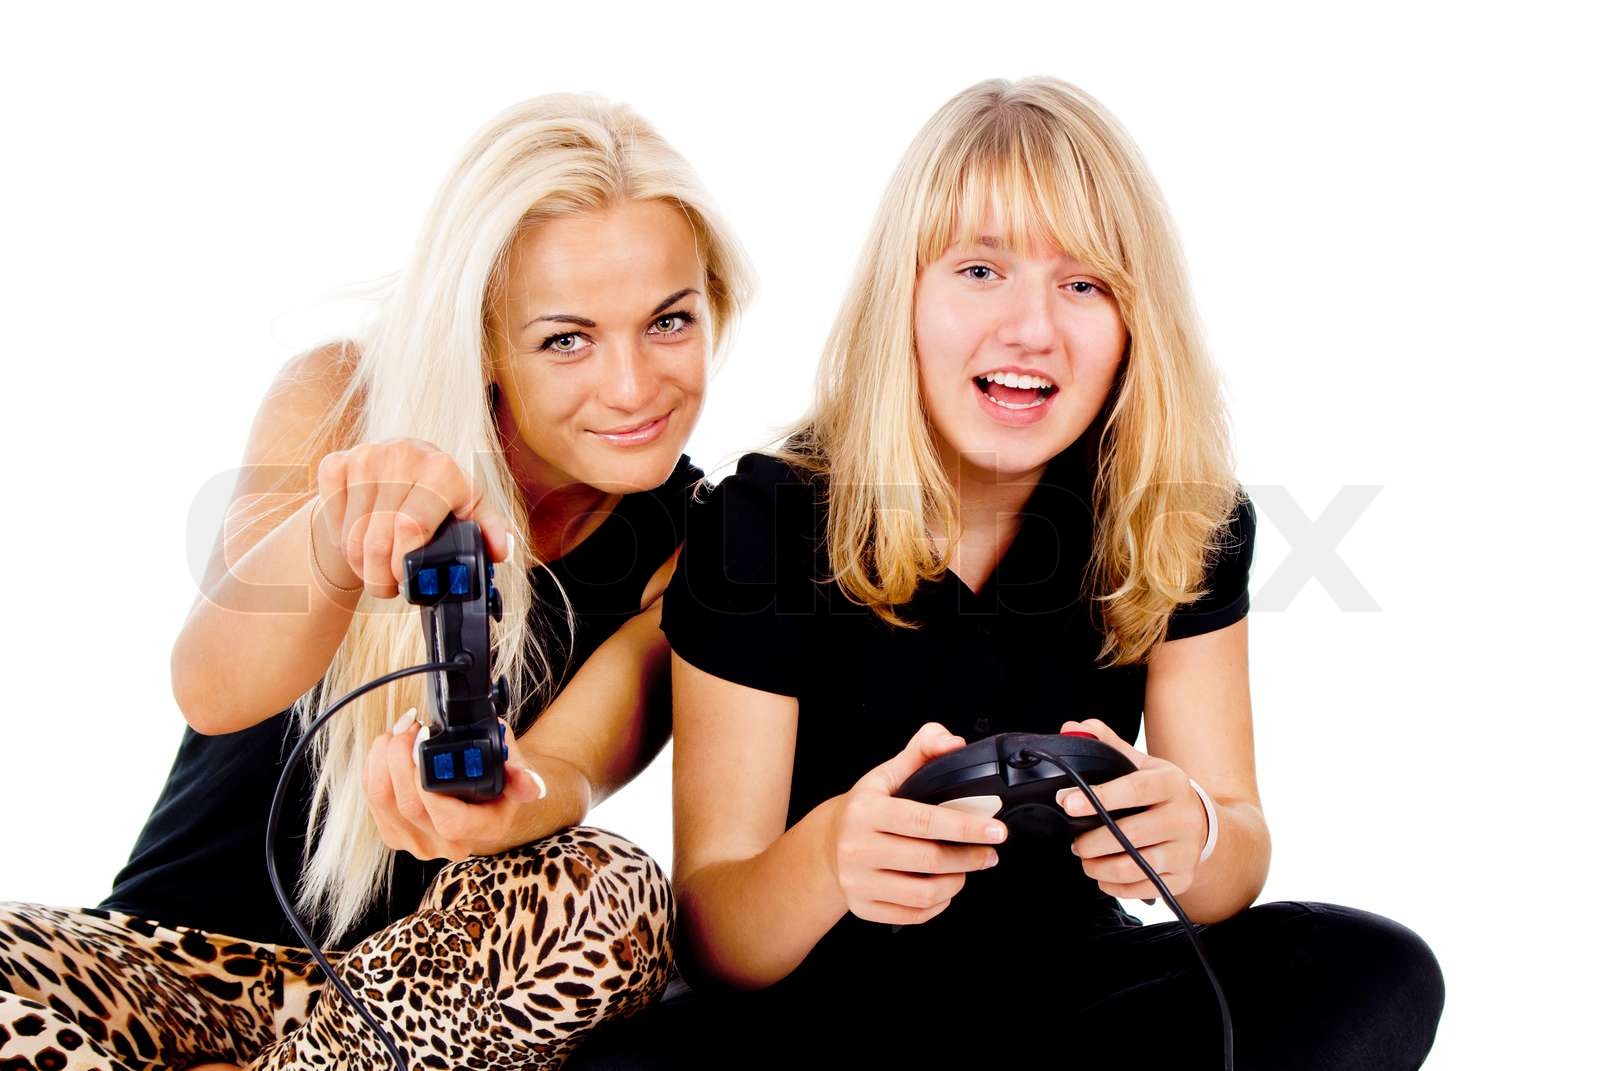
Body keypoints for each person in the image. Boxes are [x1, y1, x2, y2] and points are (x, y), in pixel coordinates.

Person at [628, 77, 1446, 1069]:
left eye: (1083, 283)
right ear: (908, 299)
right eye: (979, 270)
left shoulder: (1180, 520)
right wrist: (831, 858)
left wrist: (1189, 830)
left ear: (1135, 323)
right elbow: (716, 939)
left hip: (1069, 1001)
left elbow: (1233, 849)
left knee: (1370, 967)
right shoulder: (765, 520)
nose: (1031, 328)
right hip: (820, 1017)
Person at [0, 91, 752, 1070]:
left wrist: (495, 812)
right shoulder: (344, 397)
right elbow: (214, 689)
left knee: (610, 889)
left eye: (668, 322)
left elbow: (571, 768)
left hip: (407, 1003)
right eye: (567, 337)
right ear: (486, 336)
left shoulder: (695, 548)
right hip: (167, 966)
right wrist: (333, 532)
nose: (631, 386)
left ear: (714, 309)